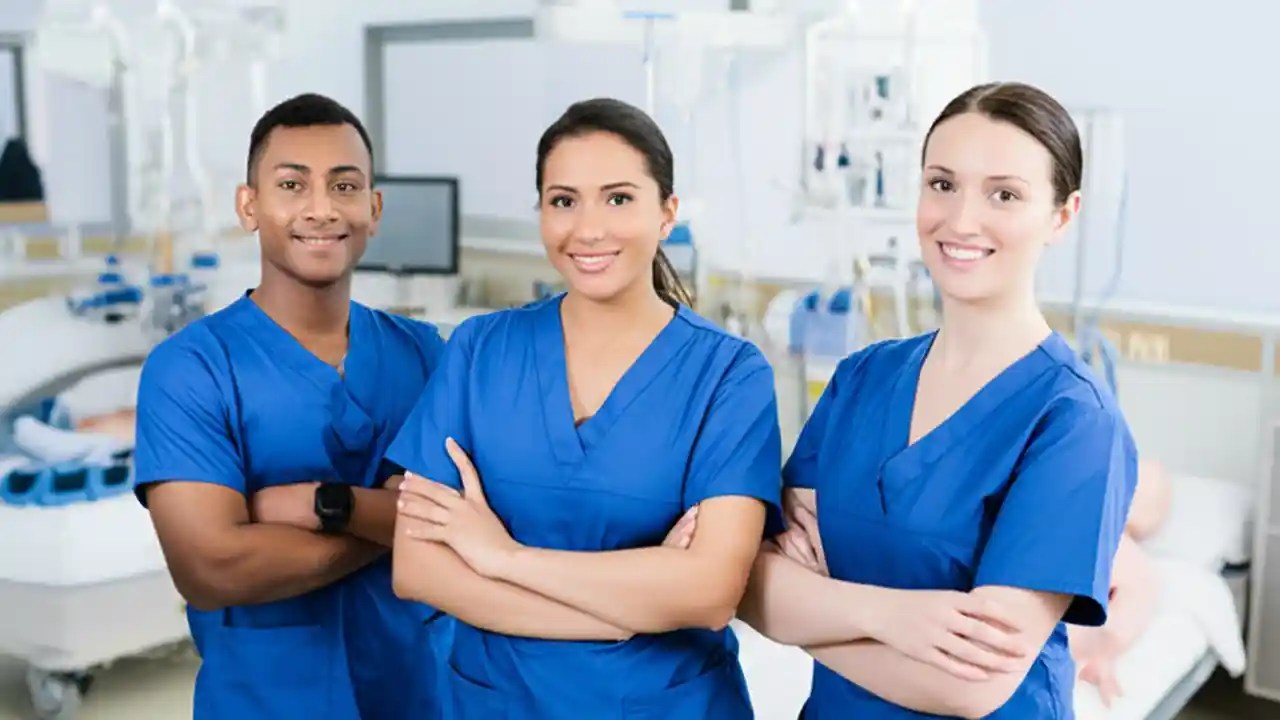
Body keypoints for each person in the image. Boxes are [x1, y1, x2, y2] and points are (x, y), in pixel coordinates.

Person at [737, 81, 1139, 719]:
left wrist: (807, 611)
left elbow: (973, 686)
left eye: (1003, 194)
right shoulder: (862, 379)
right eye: (942, 184)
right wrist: (891, 615)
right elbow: (749, 584)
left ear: (1061, 217)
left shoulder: (1073, 420)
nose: (960, 220)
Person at [386, 97, 782, 719]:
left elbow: (708, 593)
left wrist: (501, 557)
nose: (588, 229)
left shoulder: (728, 375)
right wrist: (621, 612)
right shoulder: (480, 349)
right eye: (563, 201)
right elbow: (417, 567)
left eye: (619, 198)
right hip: (495, 702)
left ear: (667, 214)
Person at [133, 93, 449, 720]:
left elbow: (469, 522)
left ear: (374, 208)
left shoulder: (424, 354)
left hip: (416, 694)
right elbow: (212, 567)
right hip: (266, 701)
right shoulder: (192, 368)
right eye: (292, 185)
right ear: (249, 206)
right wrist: (396, 526)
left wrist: (323, 506)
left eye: (344, 185)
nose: (321, 209)